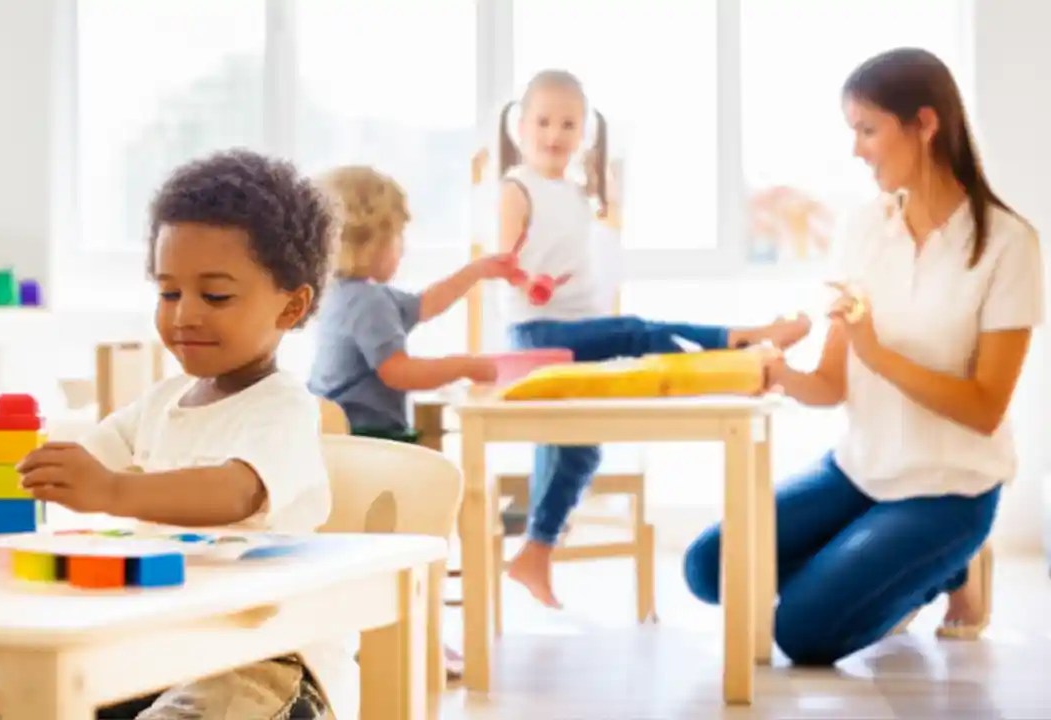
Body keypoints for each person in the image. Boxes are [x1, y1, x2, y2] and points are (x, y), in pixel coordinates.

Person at [684, 47, 1044, 664]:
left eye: (867, 129)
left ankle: (943, 568)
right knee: (709, 566)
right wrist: (778, 373)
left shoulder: (1008, 244)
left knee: (801, 632)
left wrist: (876, 353)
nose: (857, 150)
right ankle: (892, 564)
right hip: (857, 472)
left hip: (949, 489)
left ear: (925, 125)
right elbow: (832, 382)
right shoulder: (861, 230)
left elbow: (985, 409)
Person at [0, 150, 348, 719]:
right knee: (23, 702)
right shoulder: (162, 402)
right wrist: (18, 458)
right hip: (154, 643)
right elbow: (85, 461)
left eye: (215, 296)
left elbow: (234, 492)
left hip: (258, 657)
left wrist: (112, 492)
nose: (183, 316)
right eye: (169, 293)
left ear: (291, 307)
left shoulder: (283, 409)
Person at [496, 69, 812, 608]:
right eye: (543, 121)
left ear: (584, 133)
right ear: (521, 126)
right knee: (640, 332)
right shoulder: (515, 188)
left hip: (577, 332)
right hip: (538, 335)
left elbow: (596, 270)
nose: (554, 133)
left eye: (568, 123)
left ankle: (535, 551)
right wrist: (528, 280)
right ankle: (742, 344)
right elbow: (500, 264)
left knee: (580, 445)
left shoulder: (578, 194)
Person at [309, 165, 513, 441]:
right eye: (398, 235)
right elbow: (399, 372)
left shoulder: (345, 295)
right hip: (364, 437)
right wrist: (463, 366)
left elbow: (426, 304)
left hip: (342, 435)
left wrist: (476, 271)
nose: (402, 249)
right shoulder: (368, 302)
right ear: (373, 242)